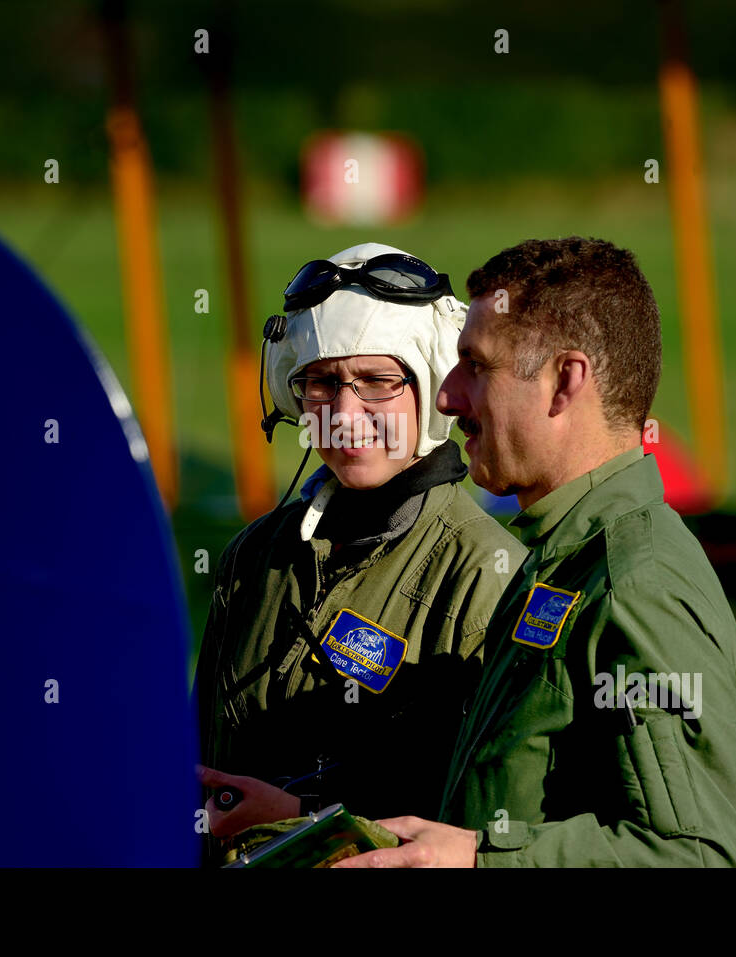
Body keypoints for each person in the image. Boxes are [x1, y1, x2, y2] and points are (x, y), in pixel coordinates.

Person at [335, 237, 736, 867]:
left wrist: (484, 861)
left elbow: (702, 858)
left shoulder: (634, 582)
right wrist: (315, 829)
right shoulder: (561, 559)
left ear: (565, 380)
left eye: (475, 365)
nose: (448, 397)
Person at [196, 242, 526, 849]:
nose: (345, 413)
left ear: (430, 386)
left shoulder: (488, 573)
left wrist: (296, 814)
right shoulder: (252, 558)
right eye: (321, 383)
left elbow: (481, 824)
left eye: (377, 382)